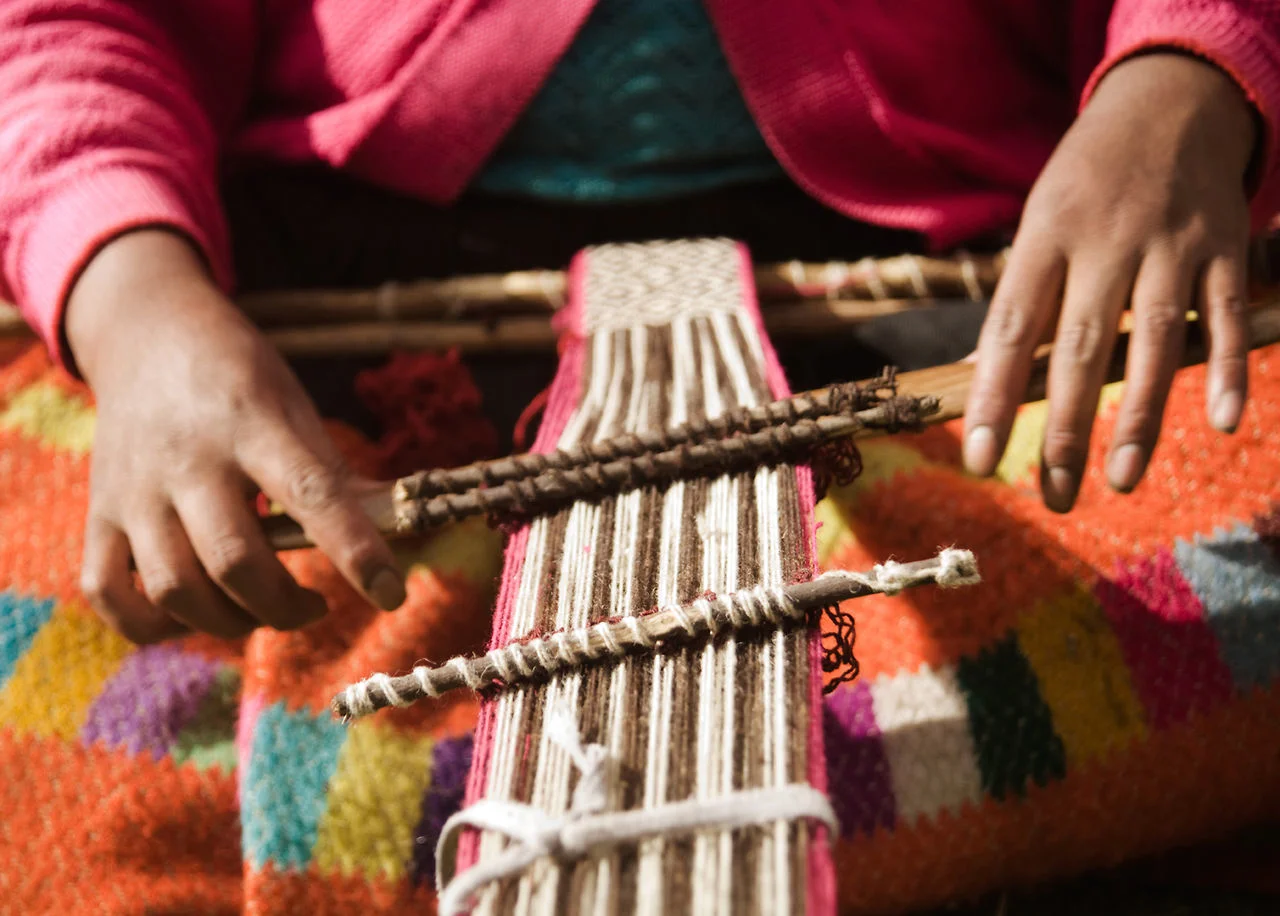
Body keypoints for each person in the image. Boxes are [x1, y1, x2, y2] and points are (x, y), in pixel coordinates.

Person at [0, 0, 1275, 644]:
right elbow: (69, 28)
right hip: (332, 272)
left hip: (954, 251)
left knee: (1228, 545)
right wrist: (134, 305)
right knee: (92, 605)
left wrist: (1182, 78)